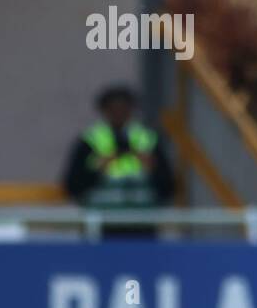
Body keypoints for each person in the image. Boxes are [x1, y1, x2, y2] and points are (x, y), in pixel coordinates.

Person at [62, 85, 175, 236]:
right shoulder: (89, 141)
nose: (119, 114)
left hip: (142, 223)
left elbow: (168, 186)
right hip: (101, 224)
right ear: (104, 111)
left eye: (123, 109)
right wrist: (96, 169)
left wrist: (153, 169)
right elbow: (72, 185)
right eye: (113, 110)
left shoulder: (147, 140)